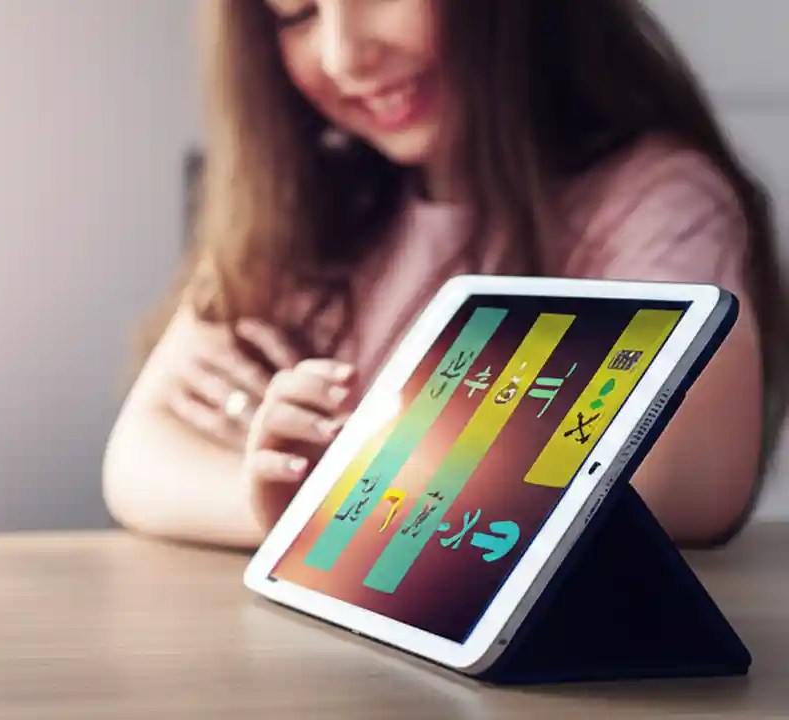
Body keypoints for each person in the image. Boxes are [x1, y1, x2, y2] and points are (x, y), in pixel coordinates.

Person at [102, 0, 788, 550]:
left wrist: (338, 507)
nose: (346, 55)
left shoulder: (657, 202)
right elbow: (138, 458)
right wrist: (289, 509)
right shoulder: (310, 206)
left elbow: (682, 483)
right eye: (297, 14)